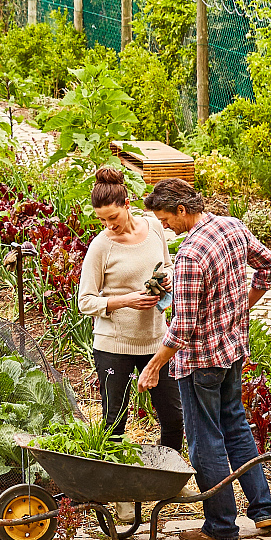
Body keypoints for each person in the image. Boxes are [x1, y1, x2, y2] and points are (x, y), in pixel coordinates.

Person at [136, 178, 271, 540]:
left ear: (182, 209)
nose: (165, 227)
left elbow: (182, 329)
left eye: (166, 219)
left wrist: (154, 366)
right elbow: (270, 267)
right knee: (236, 427)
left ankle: (220, 528)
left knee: (205, 442)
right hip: (232, 351)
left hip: (201, 362)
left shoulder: (190, 255)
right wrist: (241, 308)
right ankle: (264, 510)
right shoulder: (232, 227)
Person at [76, 167, 184, 450]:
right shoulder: (101, 247)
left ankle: (167, 472)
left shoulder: (155, 227)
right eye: (102, 220)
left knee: (174, 418)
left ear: (127, 204)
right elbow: (85, 301)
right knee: (115, 423)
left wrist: (168, 278)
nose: (108, 225)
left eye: (113, 217)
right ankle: (116, 475)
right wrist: (127, 300)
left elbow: (168, 265)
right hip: (114, 345)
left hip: (156, 340)